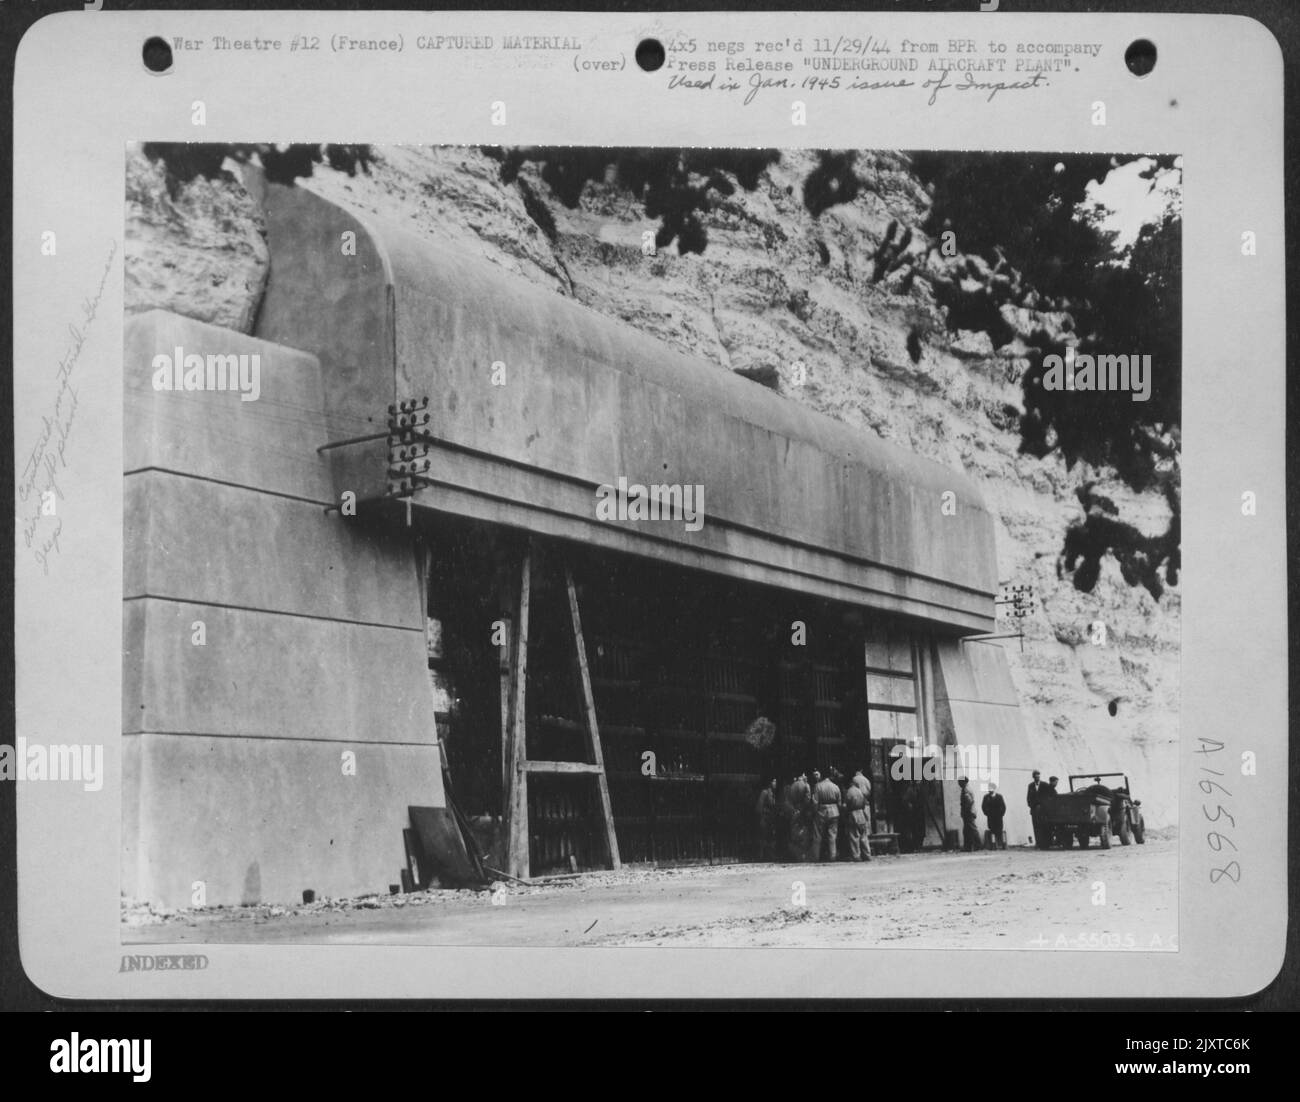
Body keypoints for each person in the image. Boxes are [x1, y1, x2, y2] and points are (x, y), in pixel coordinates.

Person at [812, 770, 842, 862]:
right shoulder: (836, 787)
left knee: (818, 835)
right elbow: (839, 802)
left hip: (821, 811)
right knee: (832, 835)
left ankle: (816, 857)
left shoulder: (818, 786)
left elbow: (815, 802)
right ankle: (832, 856)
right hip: (834, 811)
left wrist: (815, 811)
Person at [843, 775, 873, 862]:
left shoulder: (849, 792)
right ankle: (867, 855)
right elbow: (864, 803)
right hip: (861, 814)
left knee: (854, 835)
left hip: (853, 814)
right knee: (863, 835)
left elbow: (845, 805)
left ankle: (856, 856)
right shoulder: (860, 791)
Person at [788, 772, 813, 862]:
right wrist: (802, 809)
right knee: (804, 832)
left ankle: (796, 855)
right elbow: (808, 799)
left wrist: (795, 809)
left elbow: (789, 799)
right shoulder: (806, 785)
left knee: (795, 832)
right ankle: (803, 855)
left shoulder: (792, 786)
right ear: (802, 776)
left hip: (794, 810)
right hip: (803, 811)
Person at [755, 777, 779, 861]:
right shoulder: (765, 792)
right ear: (770, 782)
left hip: (770, 819)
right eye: (773, 781)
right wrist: (763, 817)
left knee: (771, 838)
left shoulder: (772, 793)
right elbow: (759, 807)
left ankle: (770, 856)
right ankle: (761, 857)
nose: (775, 783)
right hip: (765, 818)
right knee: (763, 838)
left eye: (776, 781)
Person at [958, 776, 982, 852]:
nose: (959, 784)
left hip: (969, 813)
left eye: (960, 782)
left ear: (964, 782)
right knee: (967, 830)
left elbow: (969, 802)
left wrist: (965, 812)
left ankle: (977, 845)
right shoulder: (966, 789)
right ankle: (968, 847)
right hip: (969, 812)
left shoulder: (966, 790)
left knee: (971, 829)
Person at [981, 782, 1007, 850]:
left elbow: (1003, 807)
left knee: (999, 830)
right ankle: (993, 845)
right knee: (992, 830)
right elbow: (983, 807)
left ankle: (1001, 845)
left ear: (994, 789)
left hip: (998, 817)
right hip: (991, 817)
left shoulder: (999, 797)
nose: (990, 790)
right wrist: (987, 813)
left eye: (991, 788)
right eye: (989, 788)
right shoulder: (986, 797)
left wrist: (1001, 814)